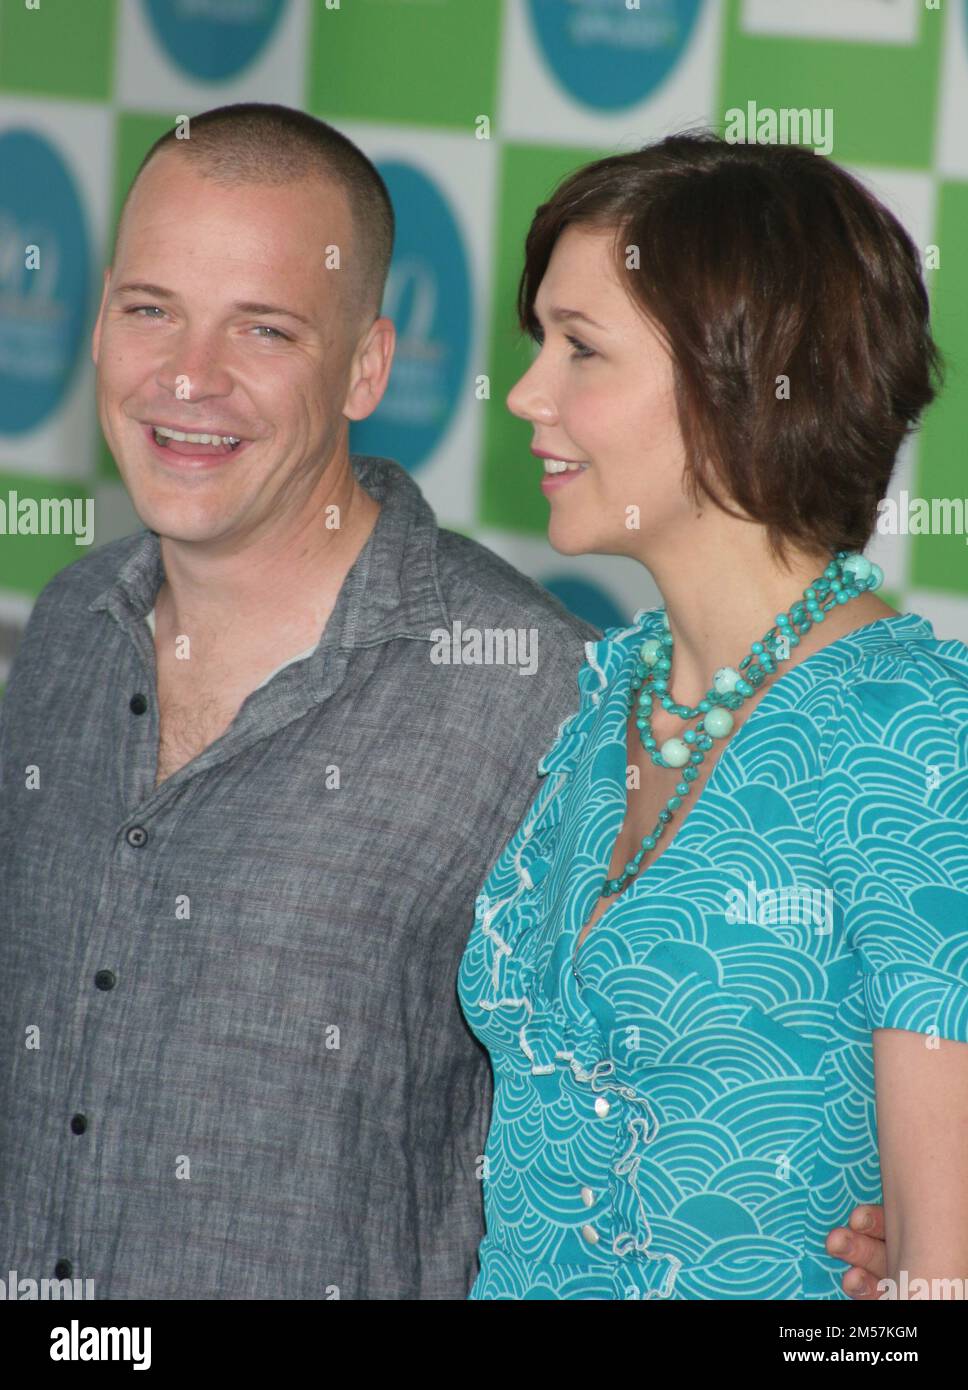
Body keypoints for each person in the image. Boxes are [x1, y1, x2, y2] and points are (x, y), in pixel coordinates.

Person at [0, 103, 887, 1301]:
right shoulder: (59, 631)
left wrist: (893, 1237)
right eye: (149, 309)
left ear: (368, 364)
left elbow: (749, 1044)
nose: (187, 376)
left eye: (263, 329)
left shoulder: (544, 695)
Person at [458, 131, 968, 1299]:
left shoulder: (908, 733)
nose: (527, 392)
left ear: (739, 383)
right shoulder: (604, 695)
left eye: (580, 348)